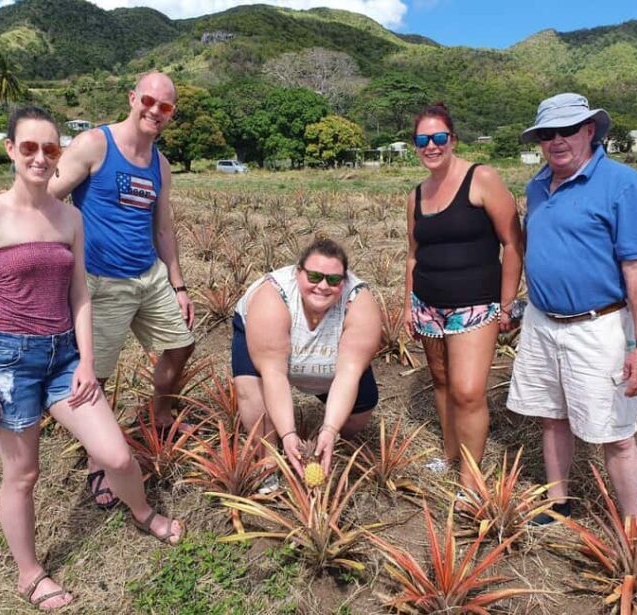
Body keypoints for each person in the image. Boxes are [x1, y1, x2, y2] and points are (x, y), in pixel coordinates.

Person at [0, 106, 184, 611]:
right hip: (10, 361)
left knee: (116, 454)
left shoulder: (70, 217)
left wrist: (84, 362)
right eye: (30, 148)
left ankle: (142, 511)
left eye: (50, 148)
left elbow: (80, 294)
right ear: (11, 150)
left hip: (63, 356)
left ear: (59, 153)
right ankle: (30, 572)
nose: (40, 157)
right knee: (23, 474)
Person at [507, 93, 637, 524]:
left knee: (617, 435)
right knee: (551, 418)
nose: (556, 140)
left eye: (567, 130)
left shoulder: (624, 185)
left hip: (600, 326)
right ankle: (559, 504)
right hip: (542, 321)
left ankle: (634, 530)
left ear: (590, 130)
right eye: (546, 133)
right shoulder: (536, 185)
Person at [49, 71, 195, 509]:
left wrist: (179, 284)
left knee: (181, 345)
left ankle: (160, 413)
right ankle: (100, 463)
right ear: (132, 98)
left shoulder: (159, 165)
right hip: (100, 282)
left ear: (171, 114)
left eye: (165, 107)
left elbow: (163, 228)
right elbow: (50, 195)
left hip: (148, 277)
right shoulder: (96, 144)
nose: (155, 110)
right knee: (96, 377)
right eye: (148, 100)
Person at [404, 102, 523, 490]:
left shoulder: (481, 178)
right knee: (440, 380)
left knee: (469, 391)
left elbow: (512, 242)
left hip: (474, 304)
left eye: (439, 137)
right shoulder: (416, 194)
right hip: (427, 303)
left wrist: (507, 302)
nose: (431, 146)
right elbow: (412, 254)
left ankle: (472, 481)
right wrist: (409, 303)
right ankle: (451, 454)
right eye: (423, 139)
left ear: (452, 139)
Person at [232, 238, 382, 479]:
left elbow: (348, 374)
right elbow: (274, 373)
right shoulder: (273, 298)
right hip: (268, 346)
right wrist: (289, 434)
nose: (323, 286)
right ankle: (268, 462)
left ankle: (327, 447)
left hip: (326, 355)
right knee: (253, 395)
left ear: (344, 282)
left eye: (333, 280)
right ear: (297, 272)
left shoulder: (360, 303)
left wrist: (331, 429)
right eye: (314, 277)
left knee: (360, 410)